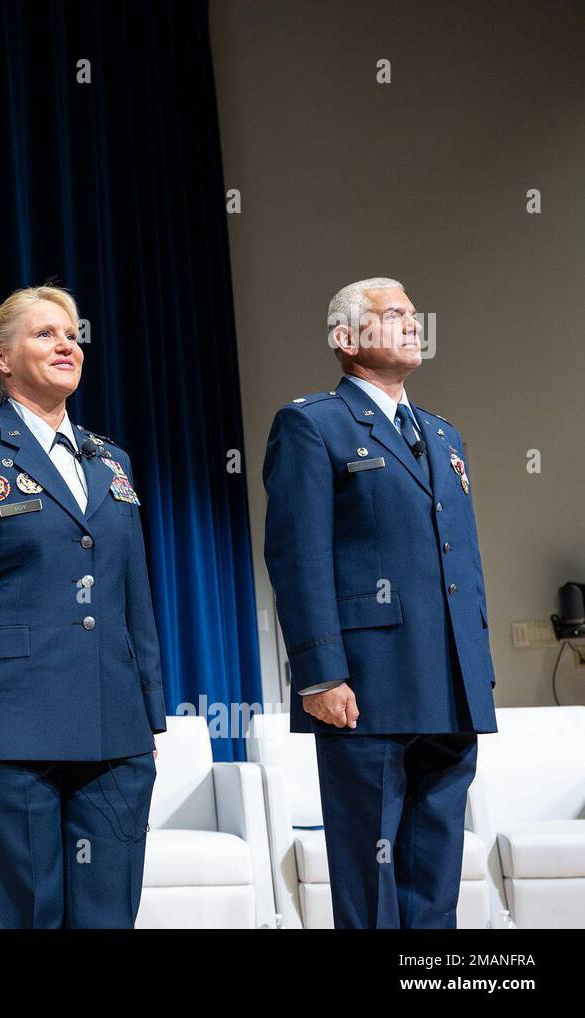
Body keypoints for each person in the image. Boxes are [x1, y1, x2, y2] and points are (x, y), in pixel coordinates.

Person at [0, 285, 166, 928]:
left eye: (73, 334)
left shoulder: (112, 461)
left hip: (116, 732)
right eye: (46, 334)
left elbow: (136, 596)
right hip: (11, 730)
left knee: (108, 916)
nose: (66, 345)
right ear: (0, 357)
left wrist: (150, 719)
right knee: (30, 916)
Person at [262, 277, 497, 928]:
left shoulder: (444, 436)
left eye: (413, 312)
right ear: (346, 339)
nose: (413, 321)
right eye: (393, 314)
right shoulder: (313, 424)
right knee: (370, 880)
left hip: (449, 684)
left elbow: (462, 562)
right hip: (365, 688)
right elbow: (297, 556)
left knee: (436, 873)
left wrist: (476, 665)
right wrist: (321, 672)